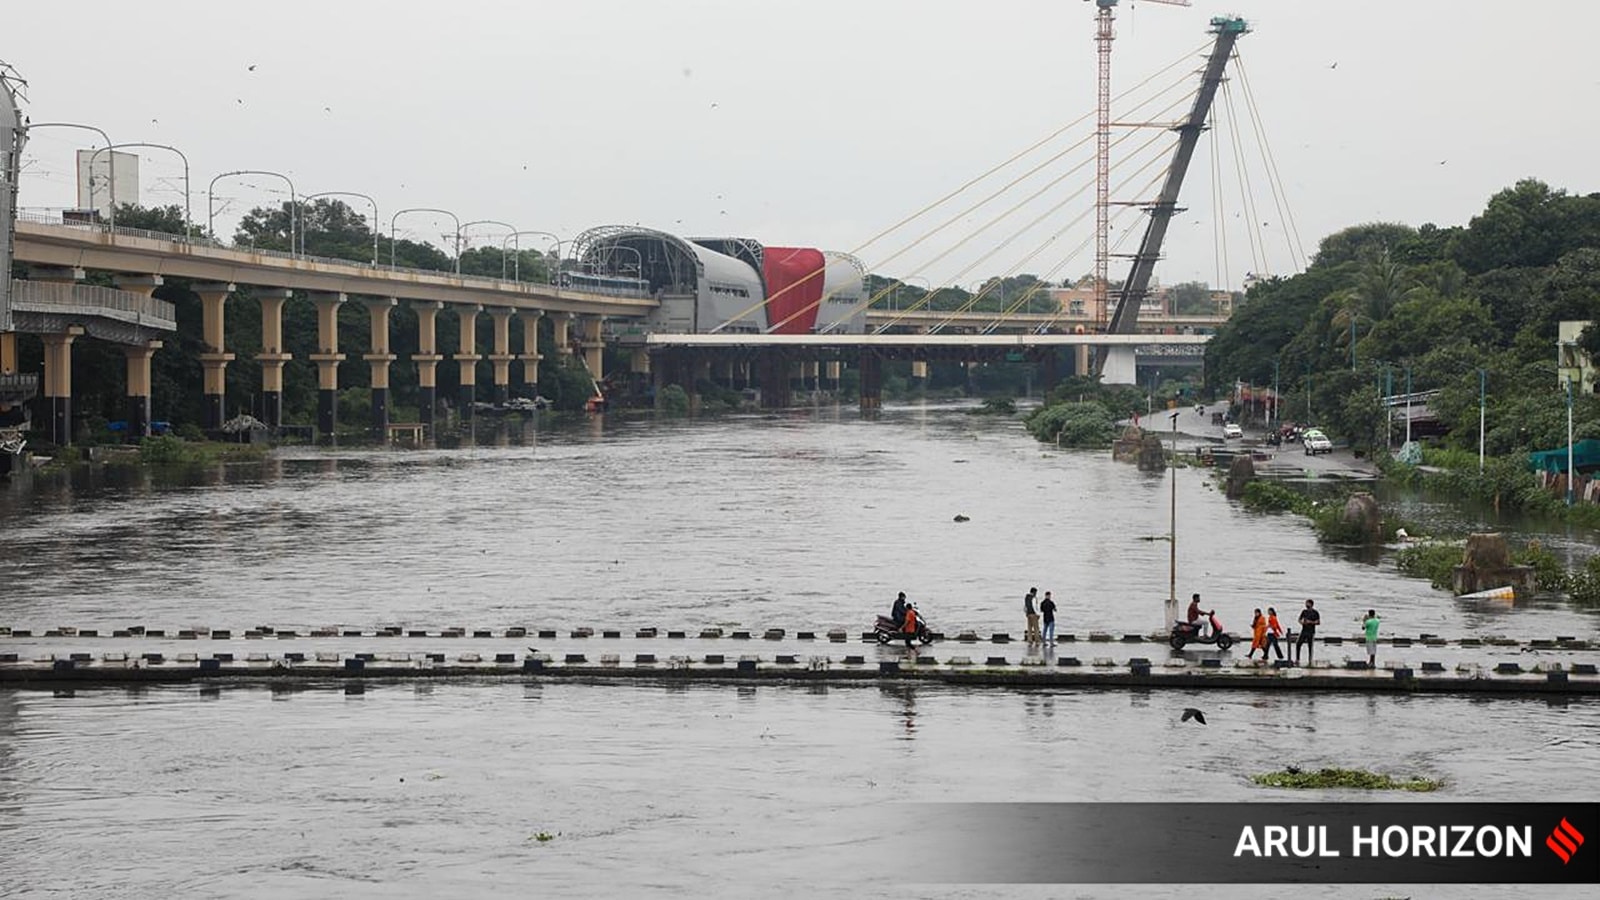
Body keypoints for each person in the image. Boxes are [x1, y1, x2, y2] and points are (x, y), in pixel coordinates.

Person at [1294, 599, 1320, 665]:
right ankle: (1297, 659)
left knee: (1310, 646)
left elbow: (1318, 622)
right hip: (1304, 630)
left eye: (1307, 603)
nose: (1306, 605)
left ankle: (1310, 660)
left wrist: (1310, 622)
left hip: (1311, 631)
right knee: (1298, 643)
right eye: (1306, 603)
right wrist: (1301, 622)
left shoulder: (1315, 612)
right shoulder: (1304, 611)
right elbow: (1299, 619)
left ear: (1311, 604)